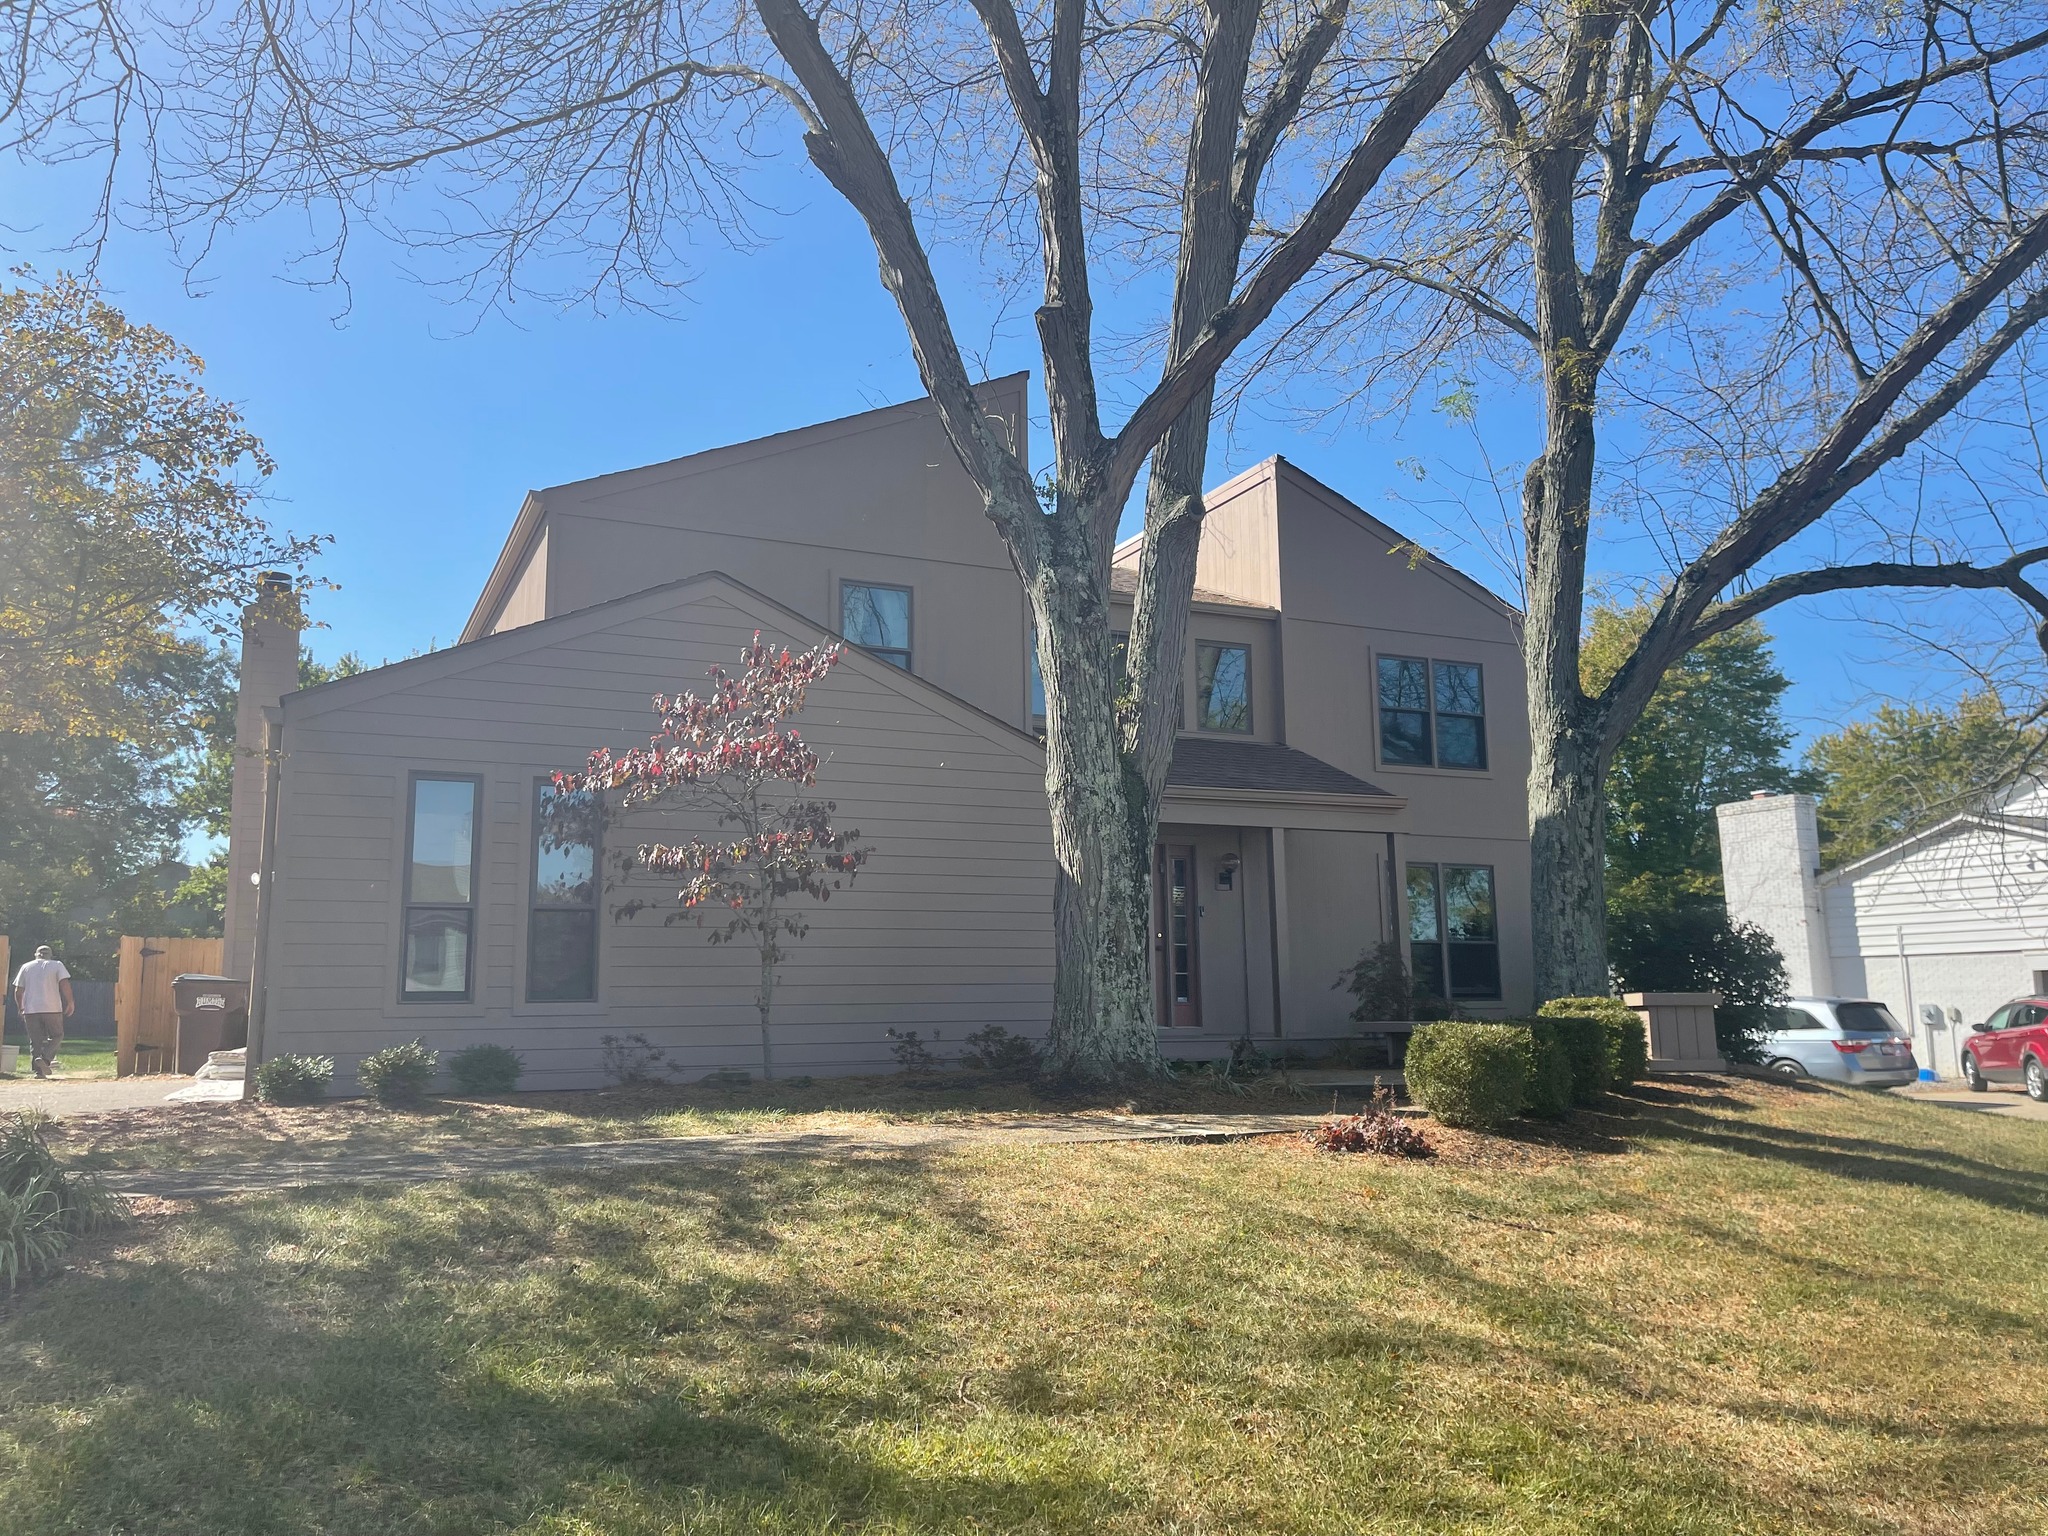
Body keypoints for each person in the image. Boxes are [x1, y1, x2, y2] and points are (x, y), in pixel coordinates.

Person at [11, 944, 74, 1079]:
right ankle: (45, 1060)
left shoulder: (26, 967)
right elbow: (64, 984)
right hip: (52, 1008)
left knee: (36, 1040)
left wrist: (20, 1007)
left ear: (36, 954)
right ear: (50, 955)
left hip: (31, 1009)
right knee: (57, 1035)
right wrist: (70, 1002)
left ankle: (38, 1072)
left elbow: (18, 990)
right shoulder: (57, 965)